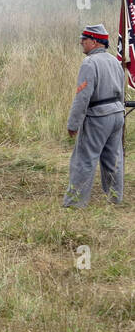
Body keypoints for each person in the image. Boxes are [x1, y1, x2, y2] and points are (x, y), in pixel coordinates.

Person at [64, 24, 126, 208]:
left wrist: (73, 123)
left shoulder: (90, 63)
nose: (81, 42)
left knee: (84, 159)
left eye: (84, 38)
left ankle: (74, 203)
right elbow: (121, 90)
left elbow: (83, 96)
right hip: (117, 114)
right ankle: (115, 198)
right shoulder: (115, 61)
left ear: (94, 41)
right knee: (113, 159)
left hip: (98, 117)